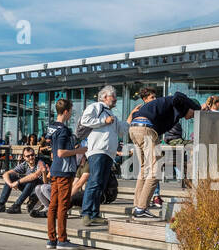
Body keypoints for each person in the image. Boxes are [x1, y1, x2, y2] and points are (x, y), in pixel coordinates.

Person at [129, 89, 200, 219]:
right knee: (155, 171)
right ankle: (141, 208)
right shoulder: (176, 102)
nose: (192, 117)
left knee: (145, 169)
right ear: (189, 107)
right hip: (145, 129)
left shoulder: (171, 111)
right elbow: (179, 94)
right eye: (194, 114)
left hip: (135, 128)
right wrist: (198, 107)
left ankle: (137, 206)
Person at [44, 98, 87, 249]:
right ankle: (62, 239)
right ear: (66, 111)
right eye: (71, 112)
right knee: (62, 205)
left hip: (55, 169)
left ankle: (51, 239)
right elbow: (61, 152)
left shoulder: (51, 127)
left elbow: (53, 149)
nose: (71, 115)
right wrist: (79, 151)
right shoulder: (63, 130)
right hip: (64, 170)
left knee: (53, 205)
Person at [77, 85, 119, 227]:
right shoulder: (96, 107)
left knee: (100, 183)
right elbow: (85, 121)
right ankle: (87, 213)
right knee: (94, 182)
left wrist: (133, 116)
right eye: (113, 95)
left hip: (108, 152)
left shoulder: (111, 114)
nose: (115, 98)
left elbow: (122, 130)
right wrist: (103, 121)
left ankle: (94, 213)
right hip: (98, 150)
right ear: (104, 97)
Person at [0, 147, 45, 213]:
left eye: (32, 155)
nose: (31, 157)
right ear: (24, 157)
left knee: (32, 180)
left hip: (38, 191)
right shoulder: (25, 164)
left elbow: (35, 175)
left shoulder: (40, 163)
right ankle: (1, 204)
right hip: (30, 189)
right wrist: (10, 184)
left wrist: (17, 182)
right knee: (11, 176)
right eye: (28, 156)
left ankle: (17, 205)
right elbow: (6, 174)